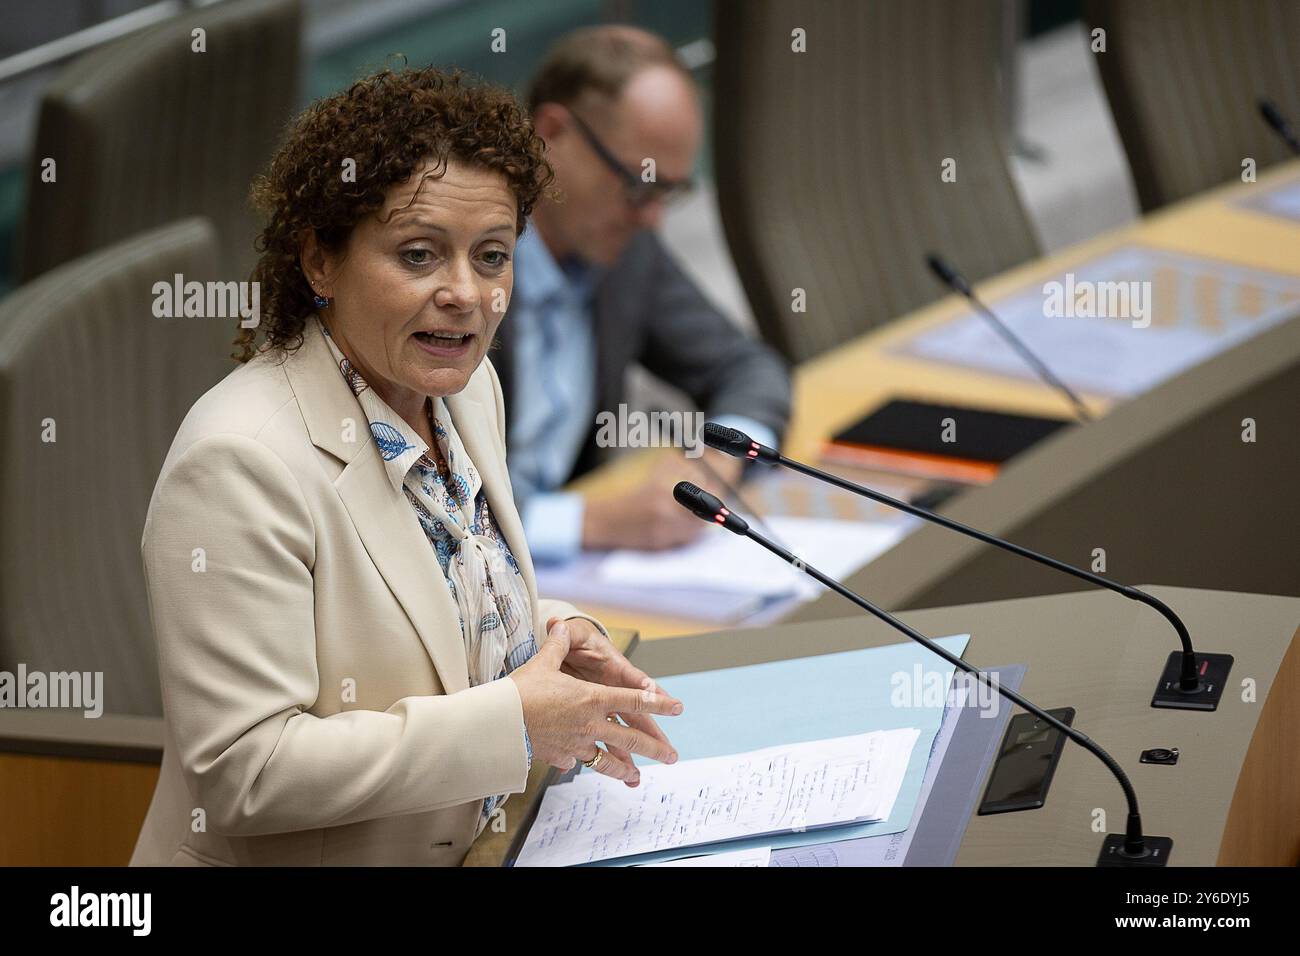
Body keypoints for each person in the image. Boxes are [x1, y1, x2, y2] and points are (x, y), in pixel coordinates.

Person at [130, 67, 682, 867]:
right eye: (419, 255)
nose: (466, 293)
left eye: (492, 257)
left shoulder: (466, 388)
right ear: (320, 261)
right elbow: (245, 773)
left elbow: (427, 589)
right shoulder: (238, 462)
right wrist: (512, 722)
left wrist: (547, 629)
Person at [499, 25, 792, 559]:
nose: (653, 218)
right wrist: (590, 521)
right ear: (552, 130)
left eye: (671, 192)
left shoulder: (622, 248)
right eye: (639, 184)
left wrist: (718, 457)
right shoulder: (459, 268)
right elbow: (399, 507)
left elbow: (747, 368)